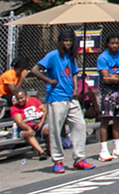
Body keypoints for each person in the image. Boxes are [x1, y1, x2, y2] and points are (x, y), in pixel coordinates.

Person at [34, 29, 95, 173]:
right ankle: (58, 160)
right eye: (65, 41)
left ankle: (79, 159)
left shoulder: (71, 56)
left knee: (79, 125)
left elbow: (74, 72)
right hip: (56, 97)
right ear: (60, 42)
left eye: (70, 41)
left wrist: (75, 89)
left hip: (70, 97)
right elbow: (35, 70)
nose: (67, 43)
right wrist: (49, 80)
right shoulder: (52, 55)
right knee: (56, 129)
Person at [95, 34, 119, 161]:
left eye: (117, 43)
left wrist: (116, 77)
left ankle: (117, 148)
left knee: (118, 118)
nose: (114, 45)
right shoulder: (103, 57)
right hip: (109, 91)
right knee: (106, 119)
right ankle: (103, 149)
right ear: (107, 44)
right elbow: (106, 79)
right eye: (112, 43)